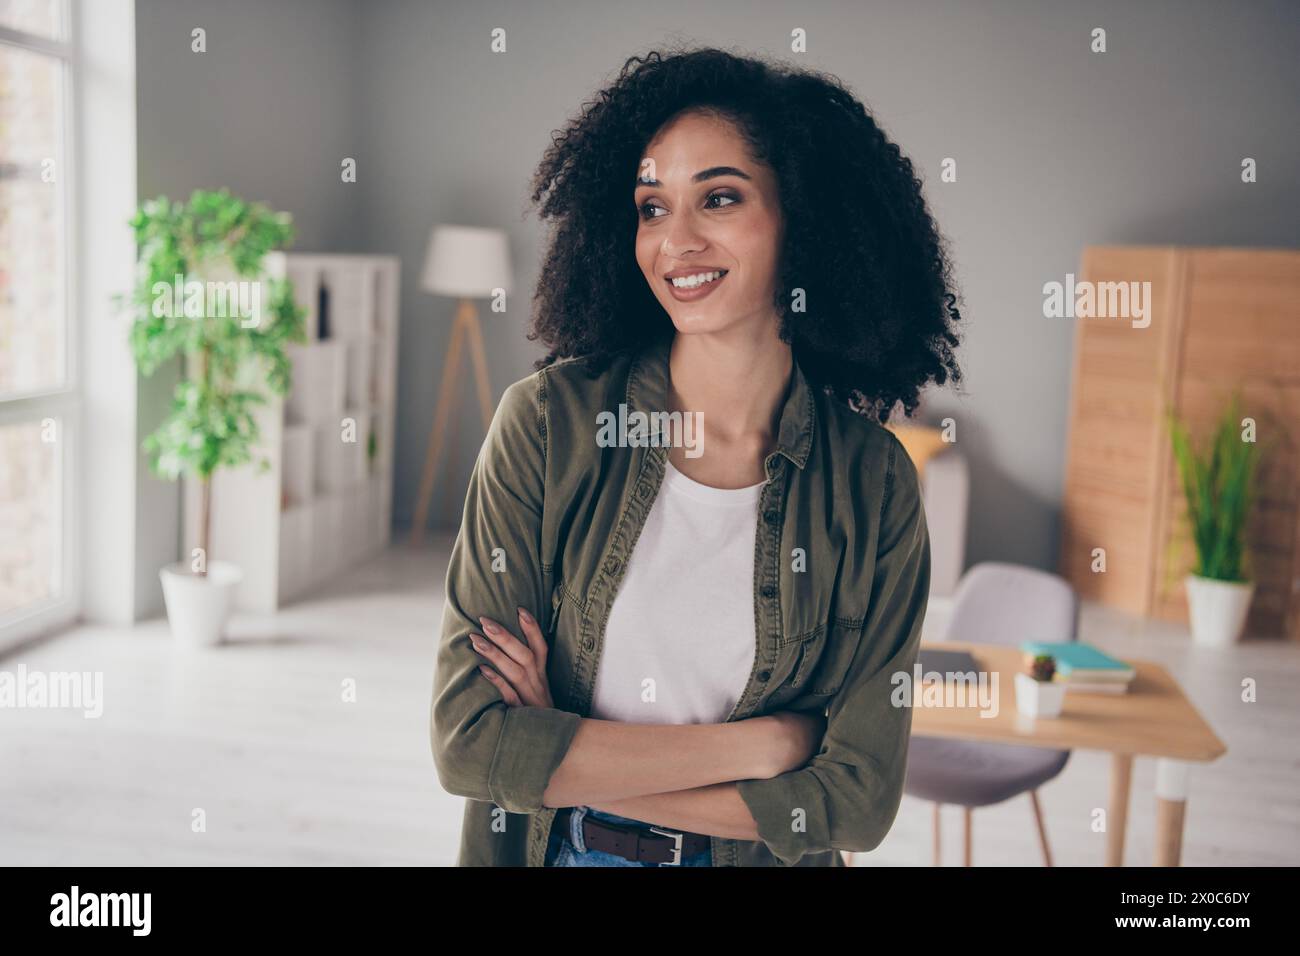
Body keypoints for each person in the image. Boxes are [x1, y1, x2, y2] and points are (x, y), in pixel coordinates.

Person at [431, 46, 963, 867]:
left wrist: (560, 759)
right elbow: (470, 746)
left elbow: (855, 806)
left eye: (718, 198)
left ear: (805, 220)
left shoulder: (874, 482)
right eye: (651, 207)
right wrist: (771, 747)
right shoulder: (545, 426)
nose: (674, 240)